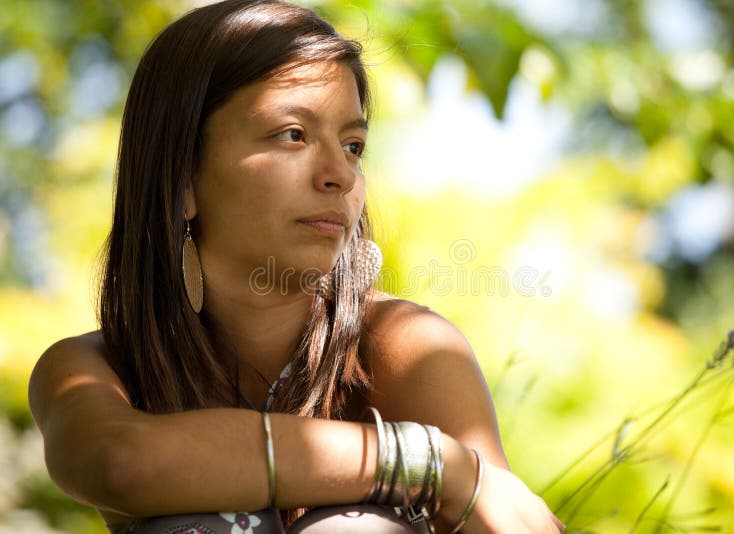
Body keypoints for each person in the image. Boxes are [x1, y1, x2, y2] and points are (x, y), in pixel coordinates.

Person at [27, 1, 565, 532]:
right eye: (293, 134)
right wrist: (429, 462)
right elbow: (120, 464)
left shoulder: (410, 350)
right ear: (182, 178)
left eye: (353, 146)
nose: (341, 175)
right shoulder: (94, 369)